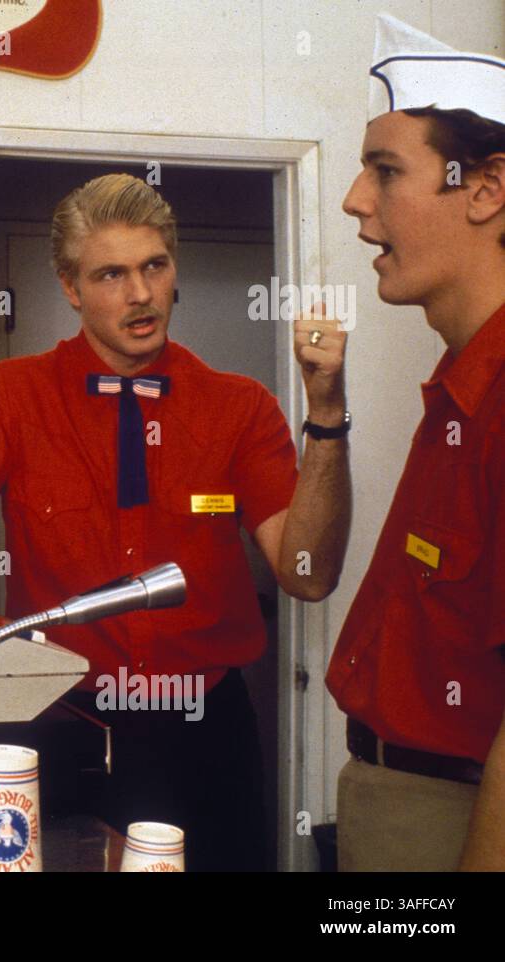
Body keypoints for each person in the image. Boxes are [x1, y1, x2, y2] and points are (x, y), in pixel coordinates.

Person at [0, 173, 353, 871]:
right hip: (66, 723)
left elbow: (306, 574)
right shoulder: (13, 397)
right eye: (111, 274)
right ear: (71, 288)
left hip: (206, 735)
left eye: (154, 267)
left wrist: (325, 414)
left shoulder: (240, 407)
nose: (140, 294)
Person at [326, 15, 505, 872]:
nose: (358, 200)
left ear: (484, 188)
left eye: (386, 170)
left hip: (451, 822)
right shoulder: (462, 385)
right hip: (391, 802)